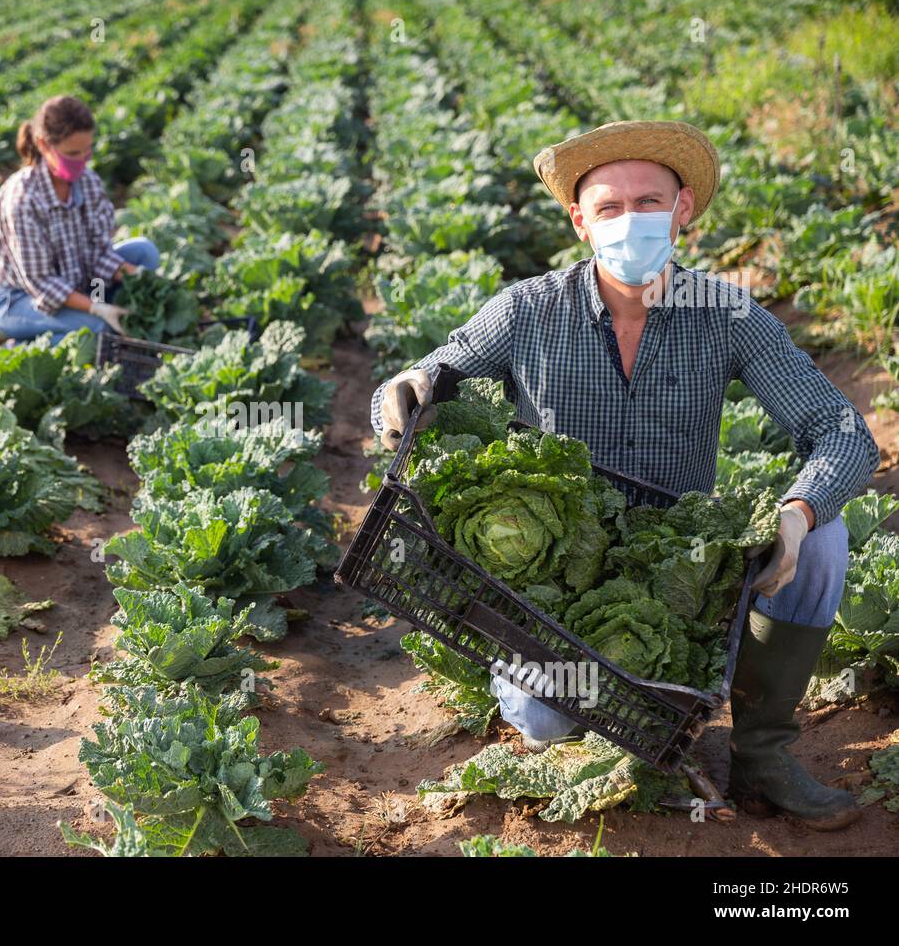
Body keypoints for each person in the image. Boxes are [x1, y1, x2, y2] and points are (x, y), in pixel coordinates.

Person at [372, 120, 881, 831]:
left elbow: (842, 432)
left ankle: (763, 750)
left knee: (824, 539)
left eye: (649, 202)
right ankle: (619, 730)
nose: (630, 221)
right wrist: (401, 395)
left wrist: (797, 513)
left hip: (684, 568)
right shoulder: (526, 312)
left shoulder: (727, 315)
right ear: (581, 223)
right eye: (610, 208)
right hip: (560, 589)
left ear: (683, 213)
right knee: (546, 721)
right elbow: (422, 379)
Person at [0, 94, 159, 344]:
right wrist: (97, 308)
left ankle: (78, 322)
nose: (82, 160)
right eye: (72, 153)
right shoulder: (22, 199)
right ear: (44, 145)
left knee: (144, 253)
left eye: (87, 150)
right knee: (97, 330)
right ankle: (23, 347)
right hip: (20, 299)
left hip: (76, 282)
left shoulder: (88, 182)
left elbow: (99, 253)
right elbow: (41, 283)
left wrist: (135, 274)